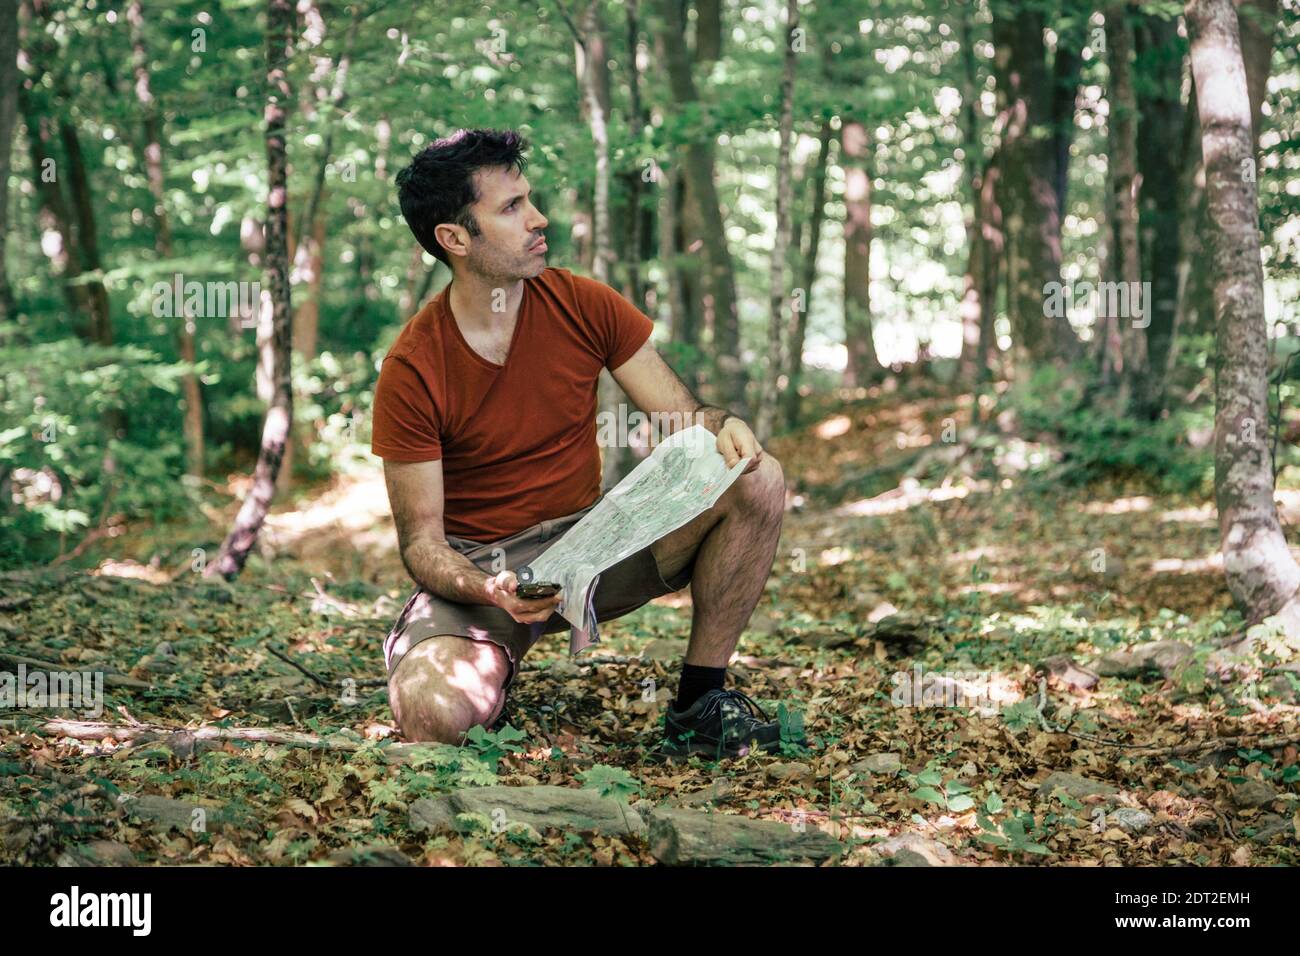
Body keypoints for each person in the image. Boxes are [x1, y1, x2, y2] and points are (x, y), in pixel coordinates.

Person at [372, 128, 803, 759]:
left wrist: (724, 425)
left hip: (593, 545)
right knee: (434, 718)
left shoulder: (582, 302)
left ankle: (699, 708)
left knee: (754, 476)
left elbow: (684, 419)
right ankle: (488, 660)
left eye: (530, 198)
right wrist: (485, 591)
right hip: (484, 571)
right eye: (511, 208)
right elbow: (422, 543)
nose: (538, 218)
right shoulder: (413, 366)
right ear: (455, 238)